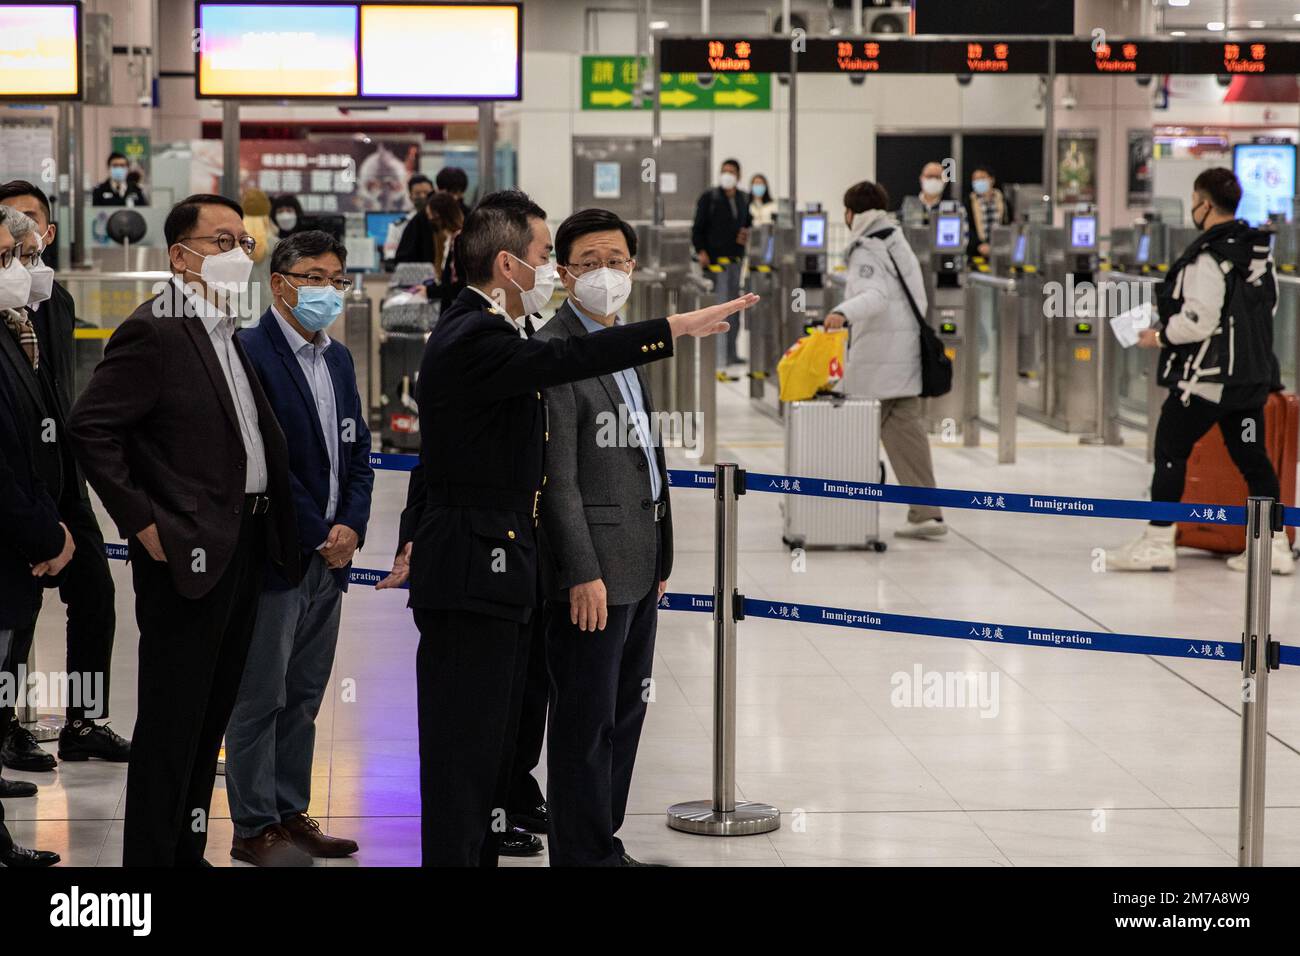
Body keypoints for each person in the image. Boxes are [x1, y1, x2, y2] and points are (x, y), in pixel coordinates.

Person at [374, 188, 753, 867]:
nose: (551, 270)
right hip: (475, 570)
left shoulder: (484, 332)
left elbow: (443, 453)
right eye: (548, 256)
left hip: (497, 567)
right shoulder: (476, 336)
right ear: (508, 265)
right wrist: (680, 327)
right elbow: (561, 368)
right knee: (468, 754)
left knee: (490, 745)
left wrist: (409, 530)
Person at [67, 194, 302, 867]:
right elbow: (91, 427)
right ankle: (150, 860)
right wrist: (144, 524)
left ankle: (186, 849)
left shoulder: (223, 328)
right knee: (174, 723)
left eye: (243, 243)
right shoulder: (156, 330)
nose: (238, 255)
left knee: (209, 721)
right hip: (186, 552)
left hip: (244, 545)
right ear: (180, 255)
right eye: (221, 240)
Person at [226, 230, 374, 867]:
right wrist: (320, 529)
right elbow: (260, 459)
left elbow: (357, 453)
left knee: (306, 694)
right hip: (278, 555)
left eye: (336, 280)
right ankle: (253, 825)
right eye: (313, 277)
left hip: (331, 562)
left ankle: (290, 811)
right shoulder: (247, 352)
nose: (327, 291)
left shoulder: (337, 359)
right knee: (261, 695)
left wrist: (352, 527)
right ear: (279, 282)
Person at [538, 208, 673, 866]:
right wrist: (581, 572)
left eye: (616, 260)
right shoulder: (558, 352)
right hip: (593, 572)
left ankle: (602, 844)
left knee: (624, 714)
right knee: (584, 722)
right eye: (588, 262)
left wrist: (662, 553)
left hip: (639, 563)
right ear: (564, 273)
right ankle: (581, 854)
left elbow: (646, 456)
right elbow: (558, 481)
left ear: (633, 267)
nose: (605, 273)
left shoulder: (624, 344)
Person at [1107, 168, 1292, 574]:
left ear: (1205, 204)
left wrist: (1158, 337)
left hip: (1206, 383)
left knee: (1171, 451)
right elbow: (1269, 306)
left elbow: (1197, 320)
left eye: (1195, 199)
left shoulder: (1209, 257)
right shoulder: (1259, 250)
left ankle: (1158, 540)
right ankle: (1273, 546)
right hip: (1251, 380)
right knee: (1253, 459)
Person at [0, 189, 127, 770]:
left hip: (60, 472)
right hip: (20, 485)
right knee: (16, 610)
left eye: (32, 235)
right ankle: (7, 726)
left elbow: (60, 391)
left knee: (95, 591)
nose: (24, 259)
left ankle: (84, 718)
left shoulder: (56, 298)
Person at [823, 181, 946, 540]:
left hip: (878, 363)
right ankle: (925, 513)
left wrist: (841, 312)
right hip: (900, 358)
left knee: (848, 431)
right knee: (905, 435)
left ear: (852, 213)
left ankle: (836, 505)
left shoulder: (867, 248)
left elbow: (875, 297)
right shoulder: (895, 239)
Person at [0, 250, 70, 865]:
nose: (19, 268)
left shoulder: (13, 328)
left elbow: (37, 437)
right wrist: (46, 537)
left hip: (23, 538)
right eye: (4, 257)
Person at [692, 158, 752, 375]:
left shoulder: (744, 198)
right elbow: (697, 228)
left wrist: (747, 235)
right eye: (724, 171)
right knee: (719, 308)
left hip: (736, 261)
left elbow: (748, 223)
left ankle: (731, 353)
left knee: (736, 308)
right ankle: (717, 357)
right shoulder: (709, 197)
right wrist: (701, 251)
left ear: (738, 175)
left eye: (731, 171)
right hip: (716, 263)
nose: (727, 174)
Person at [383, 174, 435, 261]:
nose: (422, 196)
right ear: (411, 197)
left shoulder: (441, 221)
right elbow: (390, 253)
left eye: (426, 193)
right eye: (417, 193)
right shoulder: (398, 226)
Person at [964, 166, 1006, 261]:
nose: (978, 181)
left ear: (992, 180)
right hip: (976, 253)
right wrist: (978, 245)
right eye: (975, 179)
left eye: (982, 178)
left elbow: (1007, 225)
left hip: (1000, 252)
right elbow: (966, 228)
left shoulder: (1004, 202)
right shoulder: (968, 202)